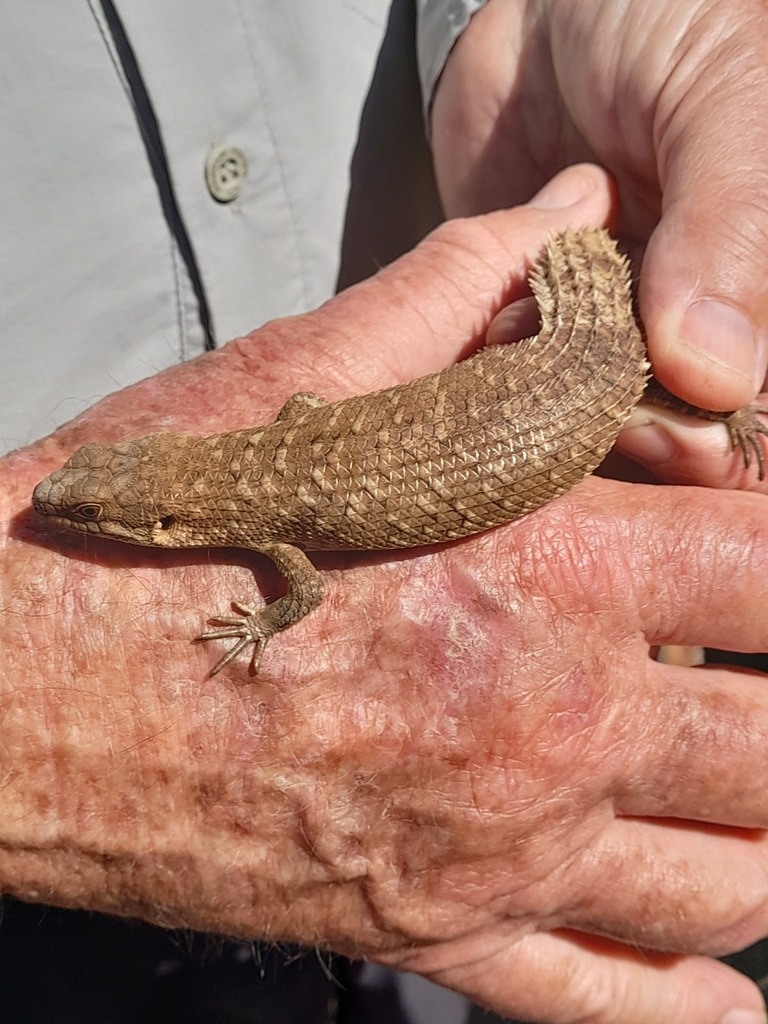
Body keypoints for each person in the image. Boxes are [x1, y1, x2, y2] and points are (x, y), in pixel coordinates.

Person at [3, 3, 768, 1023]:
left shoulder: (256, 527)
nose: (72, 512)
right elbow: (302, 423)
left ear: (165, 521)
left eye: (98, 507)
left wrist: (508, 18)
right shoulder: (250, 478)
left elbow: (305, 583)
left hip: (556, 362)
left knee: (656, 380)